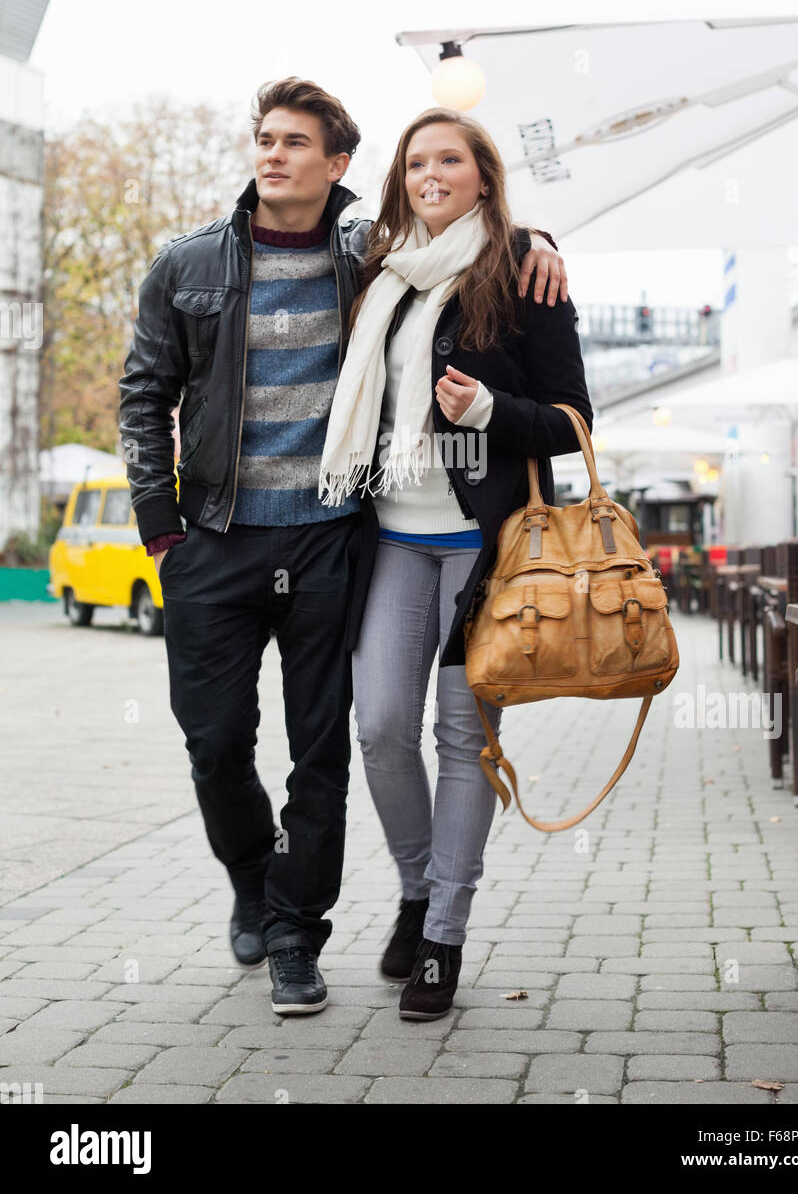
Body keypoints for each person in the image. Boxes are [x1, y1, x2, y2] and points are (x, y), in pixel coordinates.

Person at [117, 78, 568, 1016]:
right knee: (244, 741)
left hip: (355, 544)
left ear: (337, 164)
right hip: (244, 540)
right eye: (263, 139)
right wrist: (162, 527)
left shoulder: (375, 254)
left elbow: (491, 277)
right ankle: (272, 877)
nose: (272, 154)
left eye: (294, 142)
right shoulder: (213, 263)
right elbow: (144, 395)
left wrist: (540, 244)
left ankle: (325, 931)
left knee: (359, 746)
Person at [318, 107, 593, 1020]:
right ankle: (412, 887)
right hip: (393, 535)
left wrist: (487, 412)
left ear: (484, 174)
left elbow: (572, 421)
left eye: (451, 159)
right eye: (416, 163)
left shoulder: (525, 271)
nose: (431, 174)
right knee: (381, 727)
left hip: (489, 547)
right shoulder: (382, 273)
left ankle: (442, 934)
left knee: (463, 740)